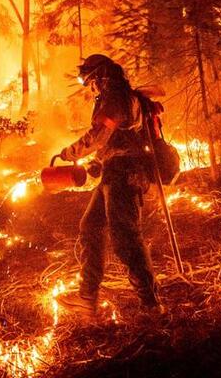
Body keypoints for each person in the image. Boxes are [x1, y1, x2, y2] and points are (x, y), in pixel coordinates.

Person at [55, 54, 163, 317]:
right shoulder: (116, 96)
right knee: (91, 227)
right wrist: (97, 163)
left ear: (100, 77)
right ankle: (86, 297)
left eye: (91, 82)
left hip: (125, 175)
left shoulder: (116, 97)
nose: (91, 88)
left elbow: (99, 135)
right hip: (113, 172)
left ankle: (151, 304)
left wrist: (71, 152)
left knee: (126, 238)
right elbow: (115, 140)